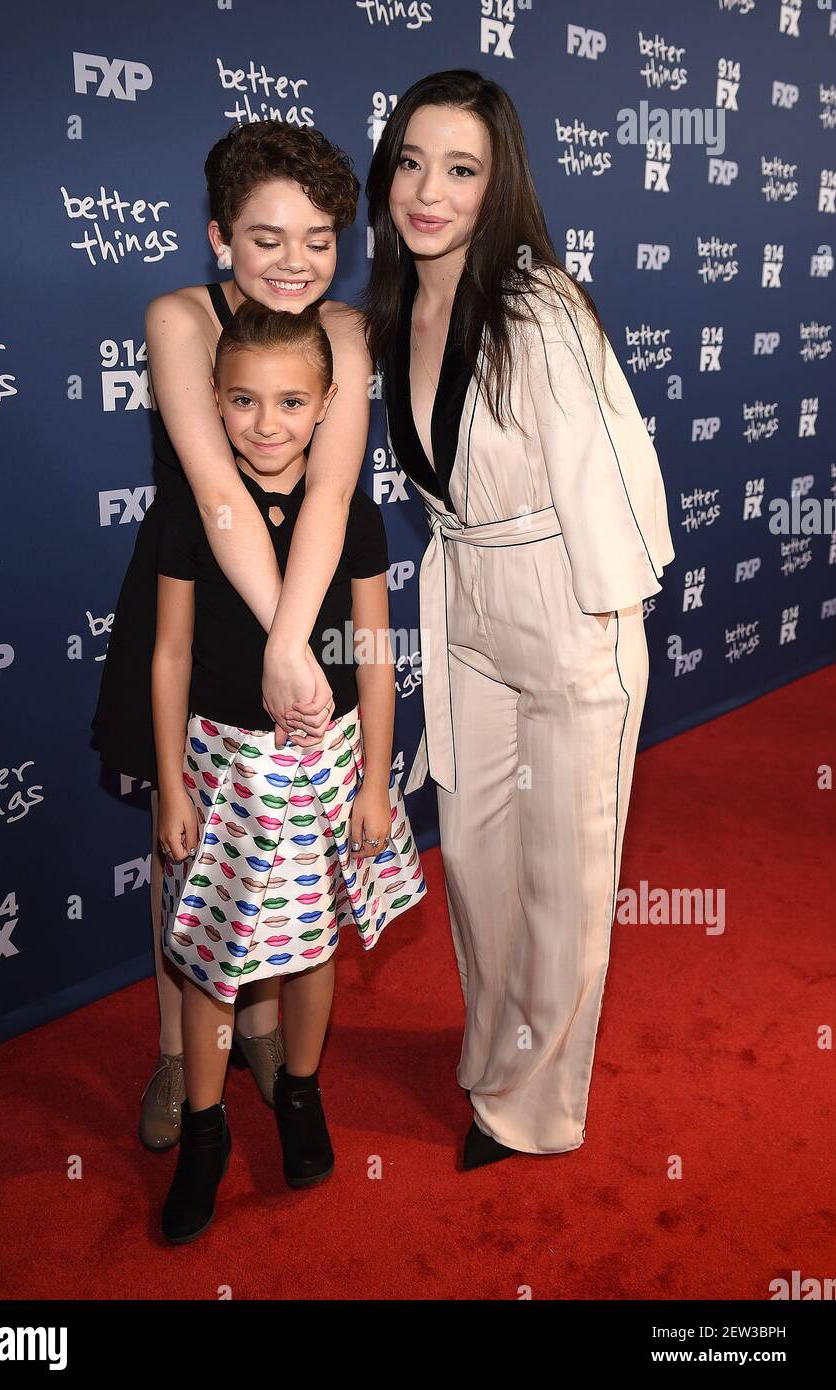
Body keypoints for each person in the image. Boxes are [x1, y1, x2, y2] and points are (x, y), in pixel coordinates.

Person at [362, 70, 675, 1168]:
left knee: (563, 873)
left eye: (459, 169)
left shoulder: (536, 302)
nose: (426, 191)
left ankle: (529, 1106)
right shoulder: (395, 304)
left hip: (566, 606)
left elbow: (607, 463)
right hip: (468, 610)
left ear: (498, 187)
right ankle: (492, 1052)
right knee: (480, 863)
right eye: (409, 162)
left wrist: (600, 631)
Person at [89, 121, 371, 1145]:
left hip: (303, 603)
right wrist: (277, 641)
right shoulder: (177, 315)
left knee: (288, 831)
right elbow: (216, 491)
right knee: (189, 839)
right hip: (190, 602)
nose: (293, 263)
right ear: (218, 238)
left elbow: (331, 495)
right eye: (266, 238)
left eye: (317, 238)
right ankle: (178, 1048)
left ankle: (257, 1028)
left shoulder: (343, 330)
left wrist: (292, 644)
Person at [152, 300, 426, 1243]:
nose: (266, 424)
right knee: (209, 962)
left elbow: (378, 656)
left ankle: (301, 1095)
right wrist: (173, 786)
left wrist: (379, 783)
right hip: (219, 770)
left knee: (312, 944)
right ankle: (203, 1132)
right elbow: (172, 657)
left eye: (291, 402)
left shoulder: (351, 517)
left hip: (327, 764)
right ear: (212, 400)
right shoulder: (195, 509)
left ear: (327, 406)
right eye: (242, 401)